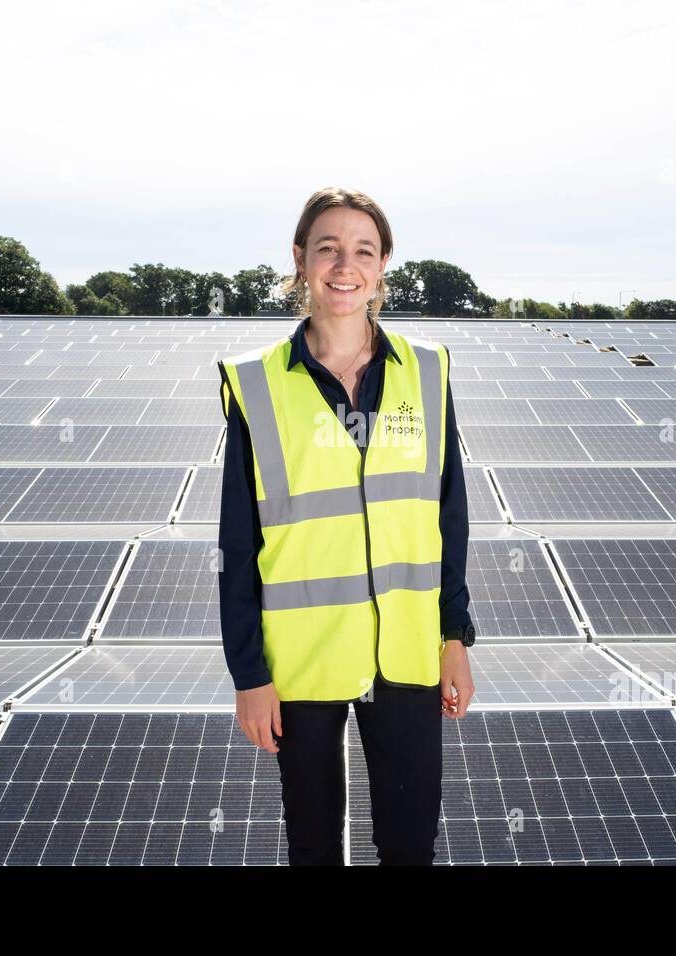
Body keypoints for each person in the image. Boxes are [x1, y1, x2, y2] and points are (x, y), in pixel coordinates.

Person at [215, 186, 477, 866]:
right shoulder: (257, 383)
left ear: (383, 265)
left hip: (408, 654)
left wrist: (455, 636)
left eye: (363, 250)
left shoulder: (427, 370)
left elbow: (451, 515)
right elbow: (237, 545)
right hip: (300, 663)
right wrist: (248, 674)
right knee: (313, 846)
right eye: (327, 248)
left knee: (409, 844)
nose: (344, 265)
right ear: (300, 259)